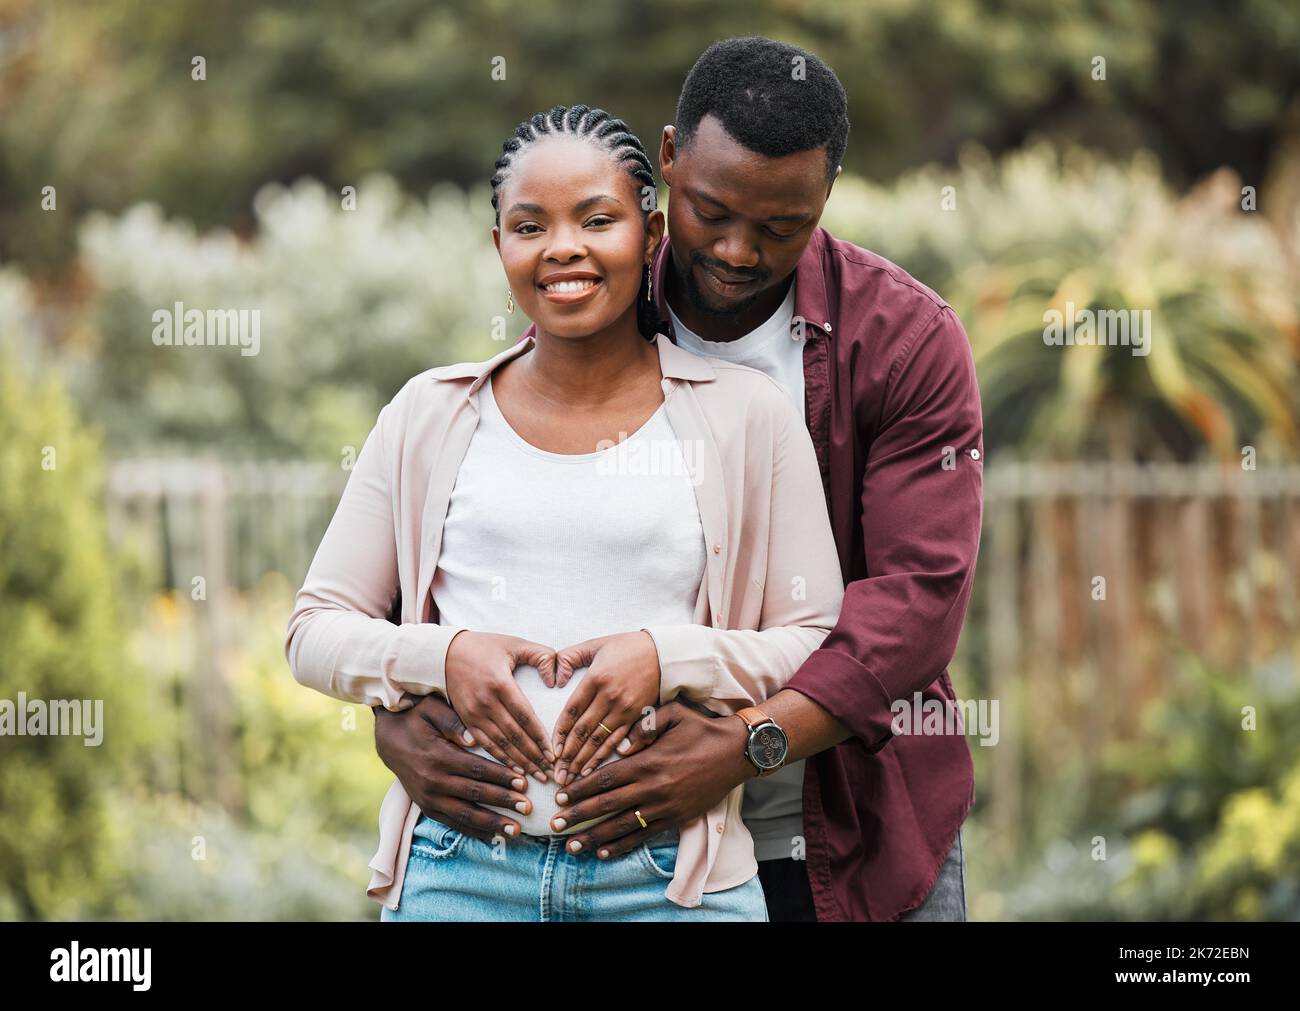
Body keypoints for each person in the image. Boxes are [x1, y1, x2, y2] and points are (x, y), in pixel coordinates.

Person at [374, 37, 984, 923]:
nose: (738, 250)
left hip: (856, 832)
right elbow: (418, 589)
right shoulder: (598, 297)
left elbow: (918, 606)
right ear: (667, 166)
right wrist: (397, 726)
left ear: (825, 198)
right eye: (712, 211)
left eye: (781, 226)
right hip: (644, 866)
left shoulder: (904, 341)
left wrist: (744, 747)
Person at [284, 103, 844, 921]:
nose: (563, 248)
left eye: (597, 218)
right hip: (461, 872)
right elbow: (314, 630)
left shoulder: (745, 415)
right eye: (529, 225)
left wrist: (667, 657)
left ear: (650, 236)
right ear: (500, 248)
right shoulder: (430, 414)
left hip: (672, 882)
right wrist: (444, 656)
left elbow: (817, 638)